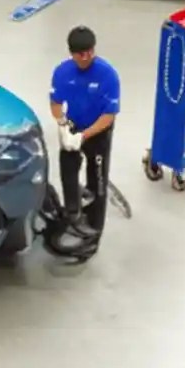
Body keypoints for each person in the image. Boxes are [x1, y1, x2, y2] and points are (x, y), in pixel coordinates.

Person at [49, 26, 120, 239]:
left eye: (90, 51)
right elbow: (55, 102)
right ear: (72, 54)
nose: (86, 56)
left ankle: (95, 220)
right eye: (81, 53)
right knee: (67, 167)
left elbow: (109, 115)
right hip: (74, 124)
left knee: (97, 175)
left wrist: (84, 136)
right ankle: (72, 210)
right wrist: (63, 125)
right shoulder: (62, 73)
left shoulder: (108, 75)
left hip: (98, 129)